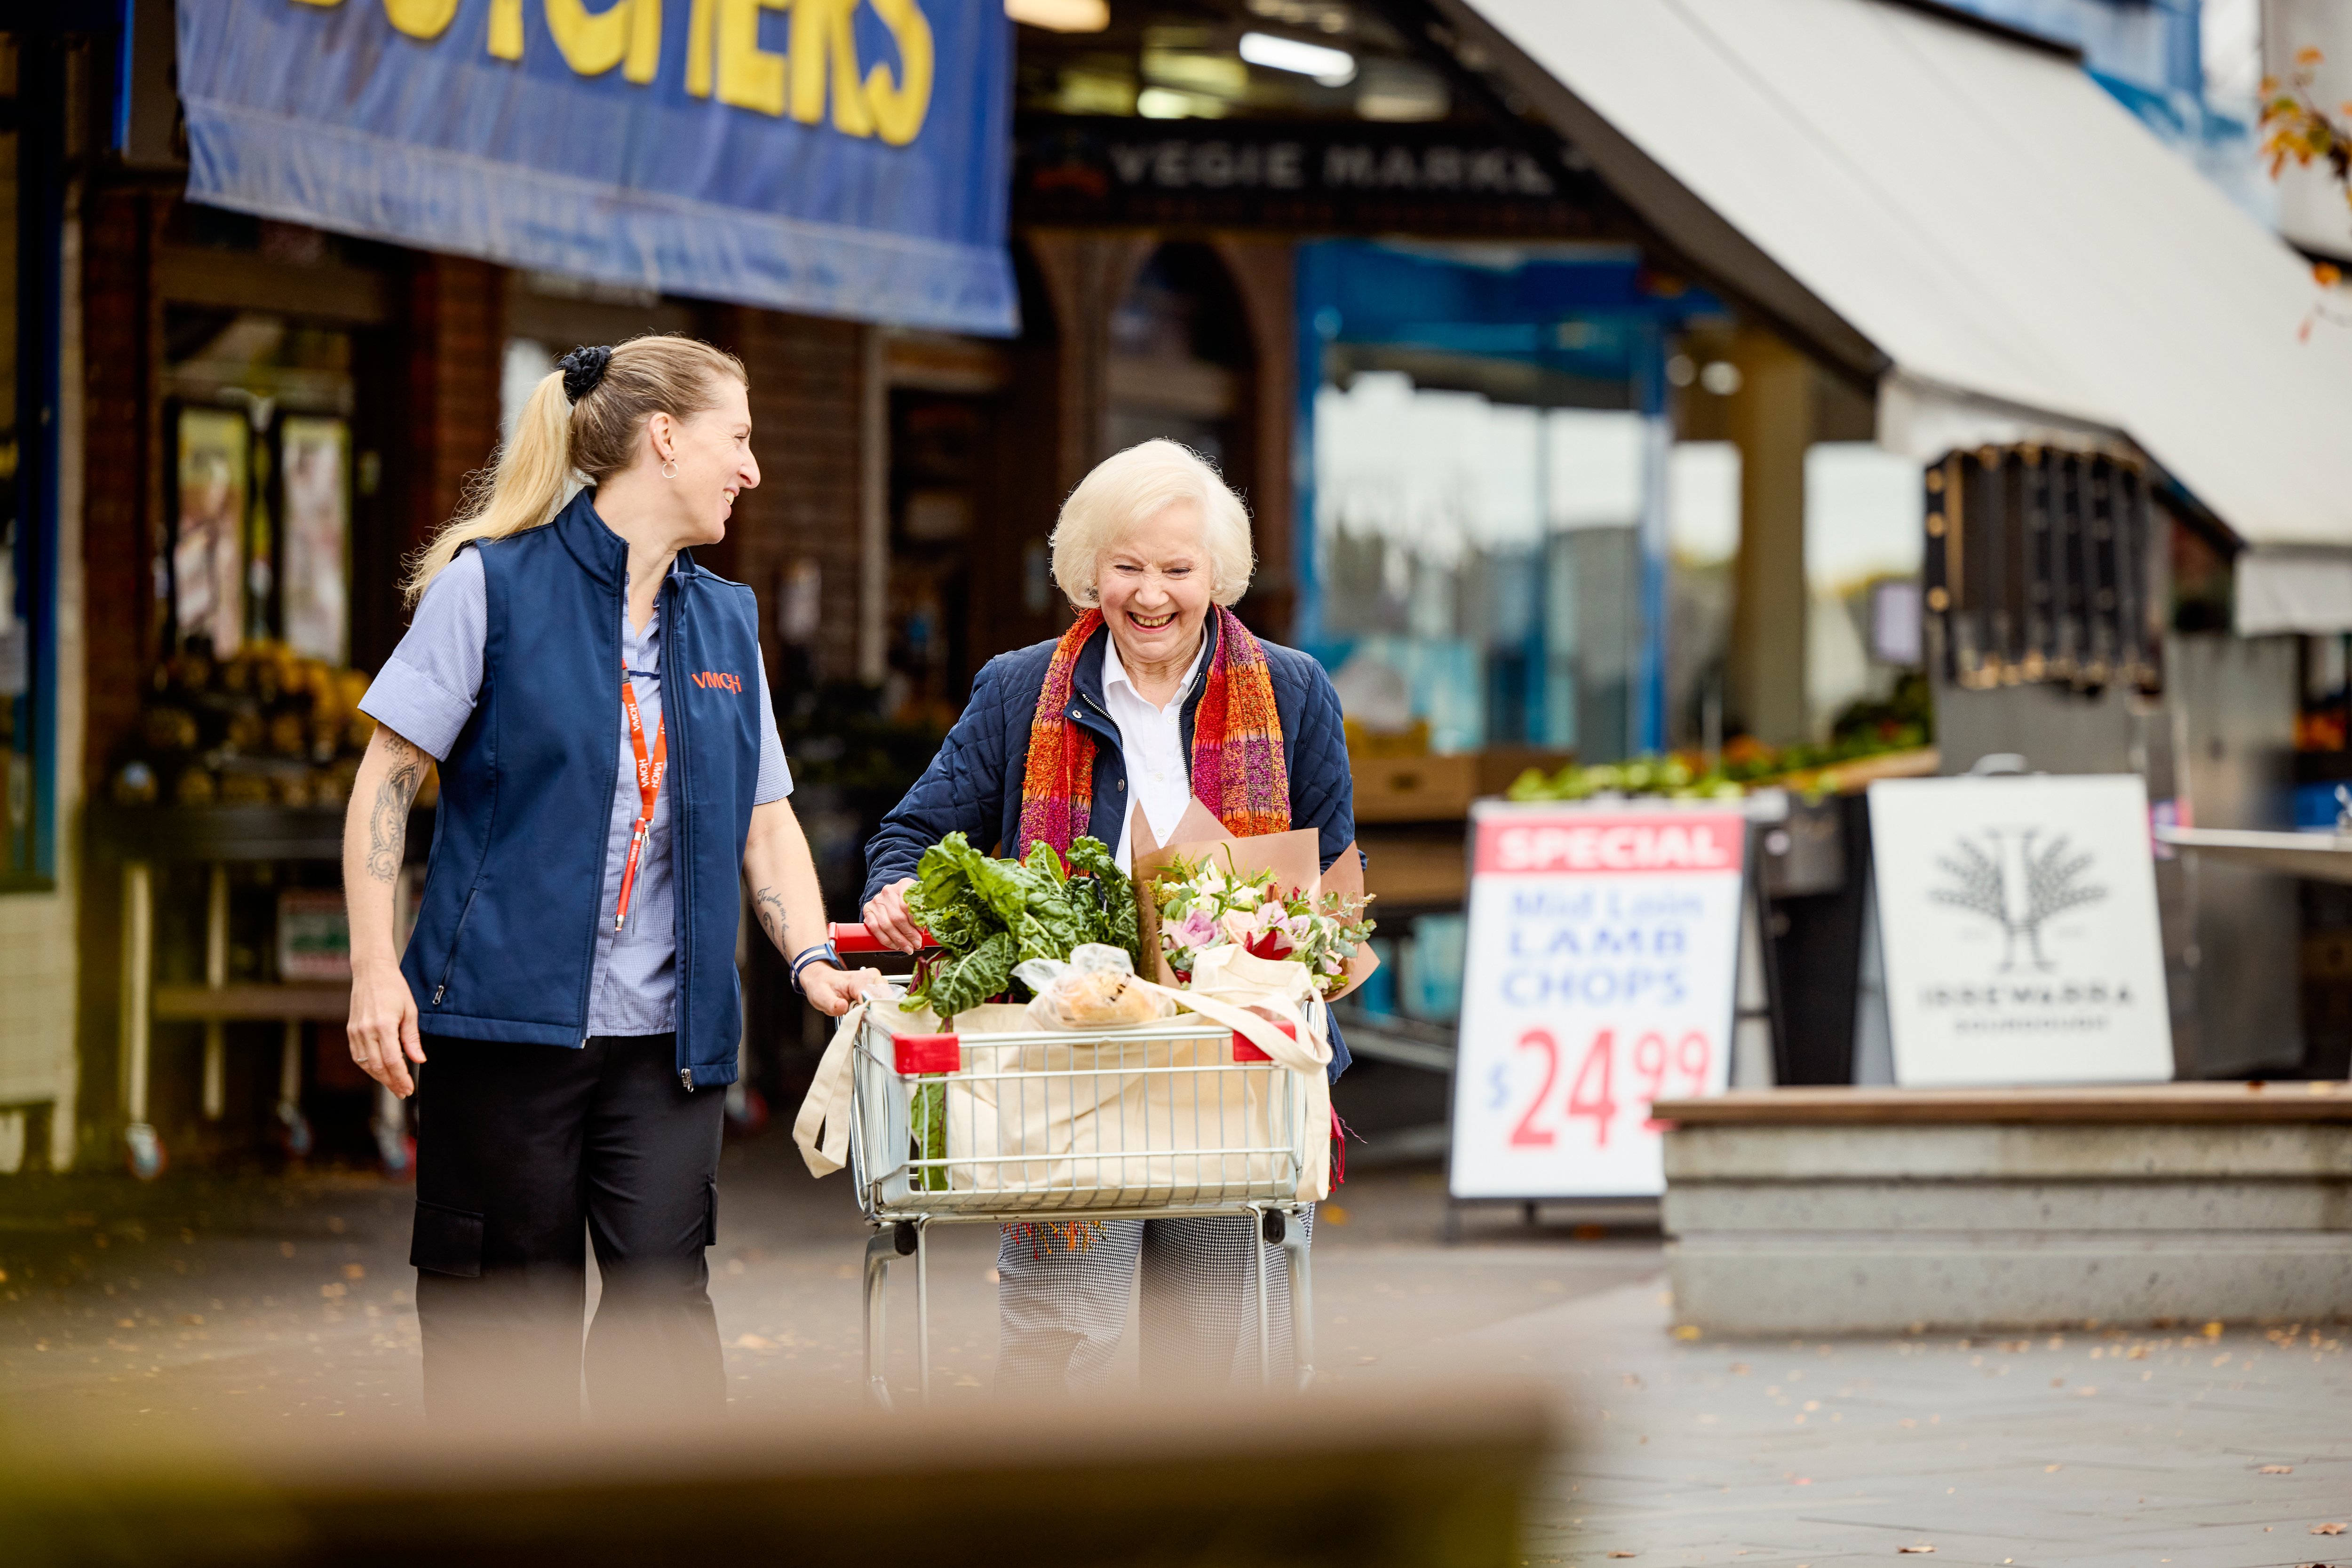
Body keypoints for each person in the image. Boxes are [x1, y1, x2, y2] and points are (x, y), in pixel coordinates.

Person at [341, 335, 880, 1428]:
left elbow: (764, 816)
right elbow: (386, 782)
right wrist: (372, 970)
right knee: (508, 1320)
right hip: (500, 1025)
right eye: (738, 438)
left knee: (662, 1317)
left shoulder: (725, 620)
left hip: (666, 1043)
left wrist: (812, 953)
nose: (752, 467)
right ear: (664, 437)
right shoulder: (490, 586)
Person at [860, 438, 1356, 1394]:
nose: (1151, 594)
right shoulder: (1019, 687)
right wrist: (899, 889)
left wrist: (1306, 950)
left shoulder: (1292, 689)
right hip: (1071, 1073)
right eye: (1127, 566)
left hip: (1228, 1070)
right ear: (1089, 569)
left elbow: (1337, 868)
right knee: (1063, 1345)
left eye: (1177, 568)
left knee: (1223, 1351)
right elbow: (912, 832)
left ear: (1219, 573)